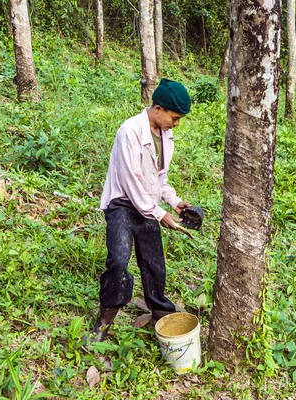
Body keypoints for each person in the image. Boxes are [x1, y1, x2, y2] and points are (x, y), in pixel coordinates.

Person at [91, 79, 192, 342]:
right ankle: (102, 327)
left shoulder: (164, 134)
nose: (176, 124)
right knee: (118, 263)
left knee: (154, 264)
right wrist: (160, 214)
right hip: (123, 205)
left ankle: (161, 318)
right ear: (157, 108)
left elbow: (160, 178)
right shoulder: (130, 132)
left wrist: (174, 202)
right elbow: (131, 183)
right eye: (174, 117)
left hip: (148, 205)